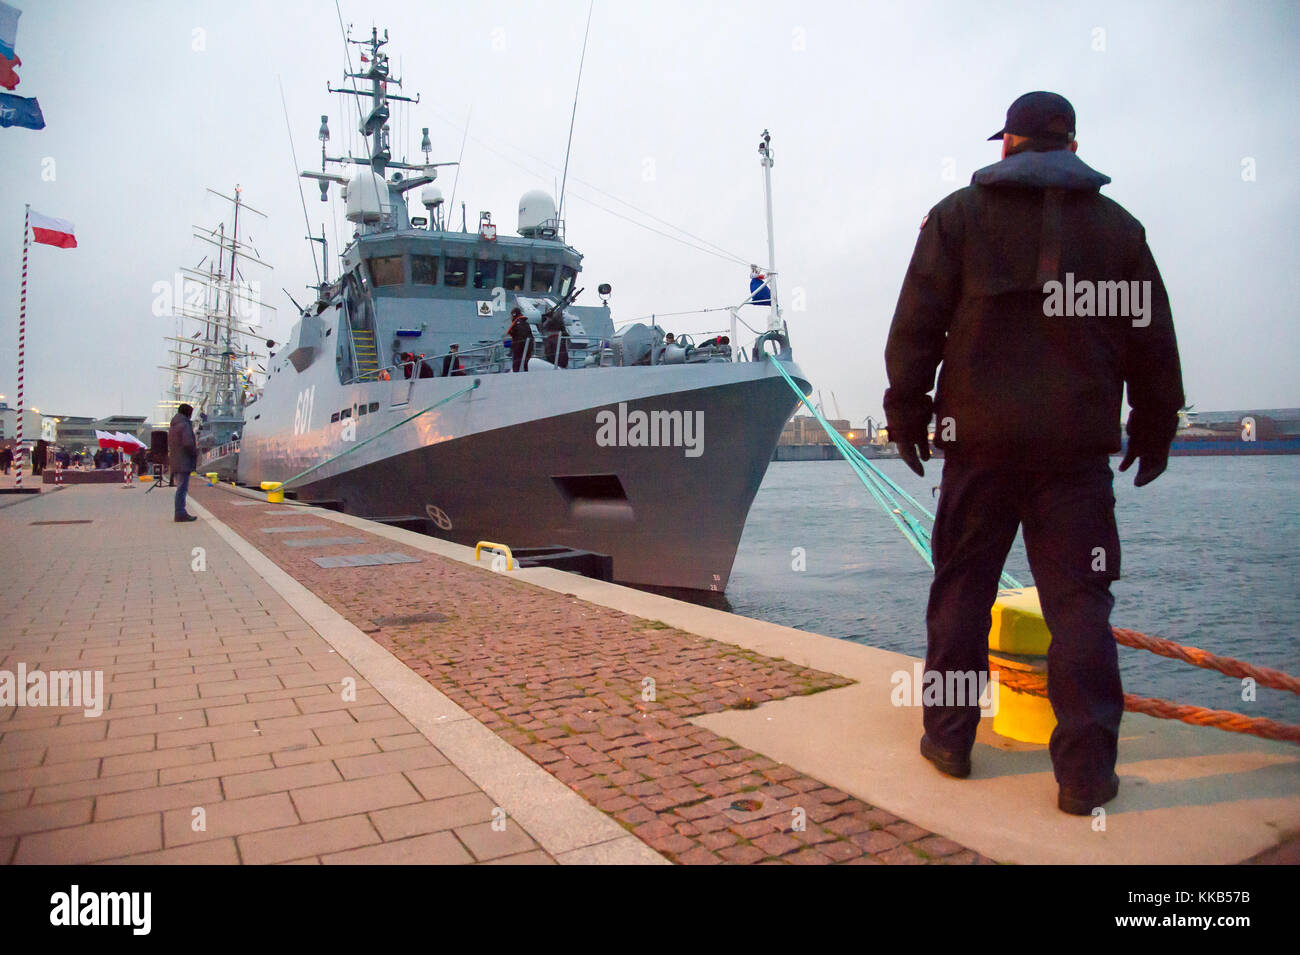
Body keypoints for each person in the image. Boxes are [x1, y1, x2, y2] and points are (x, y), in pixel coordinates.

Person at [882, 91, 1183, 815]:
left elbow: (917, 324)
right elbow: (1151, 336)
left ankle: (950, 739)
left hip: (977, 445)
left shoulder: (956, 217)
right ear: (1072, 146)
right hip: (1074, 452)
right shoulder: (1118, 230)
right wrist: (1155, 424)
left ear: (1007, 144)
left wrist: (906, 411)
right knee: (1079, 606)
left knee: (961, 591)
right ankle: (1085, 777)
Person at [168, 403, 199, 522]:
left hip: (176, 460)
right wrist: (193, 453)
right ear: (188, 413)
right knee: (182, 488)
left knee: (180, 487)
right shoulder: (184, 425)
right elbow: (188, 443)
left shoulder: (173, 426)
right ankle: (180, 513)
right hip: (184, 460)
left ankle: (180, 511)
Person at [508, 306, 534, 372]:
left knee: (517, 366)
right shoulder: (525, 323)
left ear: (514, 314)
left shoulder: (517, 324)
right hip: (527, 349)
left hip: (519, 349)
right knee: (524, 366)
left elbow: (519, 337)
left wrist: (514, 347)